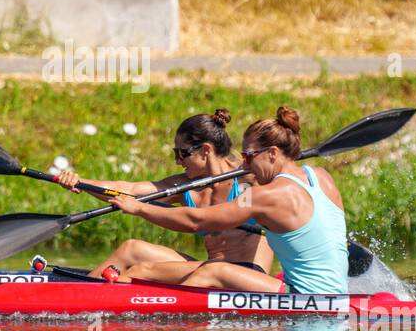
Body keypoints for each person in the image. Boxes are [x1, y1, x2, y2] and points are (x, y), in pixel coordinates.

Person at [107, 106, 349, 294]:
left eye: (248, 156)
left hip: (303, 298)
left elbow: (197, 221)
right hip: (335, 294)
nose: (244, 164)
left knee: (213, 271)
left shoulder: (265, 196)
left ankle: (168, 328)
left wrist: (138, 208)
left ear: (273, 153)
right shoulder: (321, 178)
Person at [54, 109, 273, 283]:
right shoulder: (184, 185)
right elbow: (128, 190)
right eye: (175, 153)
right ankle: (79, 295)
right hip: (209, 269)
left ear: (206, 150)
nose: (178, 161)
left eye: (182, 153)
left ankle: (89, 301)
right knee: (132, 249)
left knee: (141, 271)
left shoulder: (249, 180)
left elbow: (291, 186)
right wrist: (80, 183)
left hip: (247, 275)